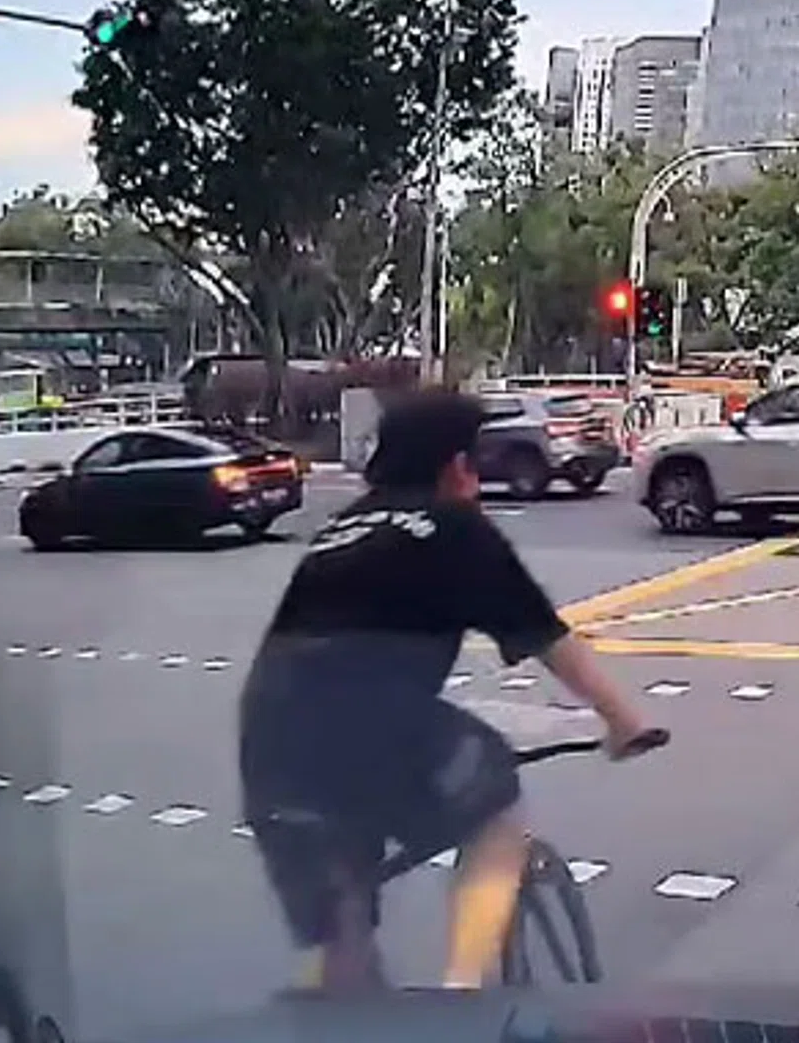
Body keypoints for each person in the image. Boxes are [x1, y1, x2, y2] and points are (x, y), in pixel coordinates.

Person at [238, 389, 667, 994]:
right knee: (496, 814)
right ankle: (459, 995)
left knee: (344, 932)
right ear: (456, 466)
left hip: (269, 737)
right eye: (476, 461)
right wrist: (624, 721)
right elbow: (547, 636)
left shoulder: (341, 527)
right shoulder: (457, 528)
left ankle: (333, 989)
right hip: (377, 726)